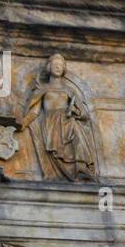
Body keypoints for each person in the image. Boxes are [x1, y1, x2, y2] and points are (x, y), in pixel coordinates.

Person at [18, 53, 97, 181]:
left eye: (60, 65)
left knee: (77, 133)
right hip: (51, 124)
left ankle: (81, 167)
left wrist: (74, 111)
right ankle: (58, 173)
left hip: (67, 120)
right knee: (55, 152)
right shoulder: (43, 89)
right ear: (49, 67)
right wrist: (23, 123)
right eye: (55, 64)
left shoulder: (69, 90)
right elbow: (35, 112)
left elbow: (85, 115)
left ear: (64, 68)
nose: (58, 67)